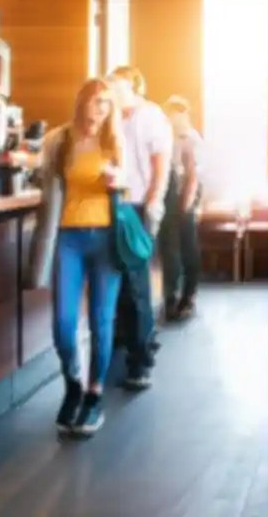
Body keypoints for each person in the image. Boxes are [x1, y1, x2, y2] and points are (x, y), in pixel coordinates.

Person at [26, 78, 125, 437]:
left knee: (101, 320)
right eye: (96, 102)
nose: (100, 110)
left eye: (107, 104)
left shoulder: (115, 140)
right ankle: (72, 382)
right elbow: (42, 178)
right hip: (67, 238)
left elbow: (133, 182)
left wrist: (120, 181)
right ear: (82, 102)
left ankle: (95, 394)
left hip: (106, 238)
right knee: (64, 324)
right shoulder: (59, 139)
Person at [106, 66, 172, 389]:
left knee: (136, 284)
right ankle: (130, 343)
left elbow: (161, 161)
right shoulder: (111, 116)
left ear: (133, 85)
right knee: (117, 282)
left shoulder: (150, 115)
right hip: (112, 204)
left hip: (137, 205)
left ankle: (141, 360)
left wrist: (153, 199)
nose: (110, 88)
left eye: (116, 83)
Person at [160, 95, 204, 320]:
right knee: (168, 249)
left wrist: (186, 204)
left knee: (187, 246)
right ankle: (170, 297)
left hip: (185, 194)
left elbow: (193, 175)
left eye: (178, 112)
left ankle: (188, 295)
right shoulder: (164, 134)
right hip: (167, 195)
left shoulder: (190, 138)